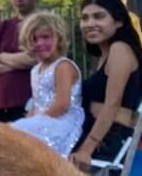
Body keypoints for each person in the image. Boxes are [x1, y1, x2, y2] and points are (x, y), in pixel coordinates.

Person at [70, 0, 142, 173]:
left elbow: (112, 105)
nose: (90, 23)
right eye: (85, 18)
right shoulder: (103, 56)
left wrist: (87, 149)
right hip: (97, 133)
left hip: (108, 139)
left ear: (118, 21)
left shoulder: (119, 49)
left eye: (99, 17)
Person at [9, 11, 85, 158]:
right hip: (42, 120)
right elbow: (37, 103)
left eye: (45, 37)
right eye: (34, 39)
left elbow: (62, 104)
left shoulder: (63, 66)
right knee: (10, 132)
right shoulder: (35, 70)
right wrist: (28, 121)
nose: (40, 43)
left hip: (61, 122)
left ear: (59, 38)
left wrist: (35, 124)